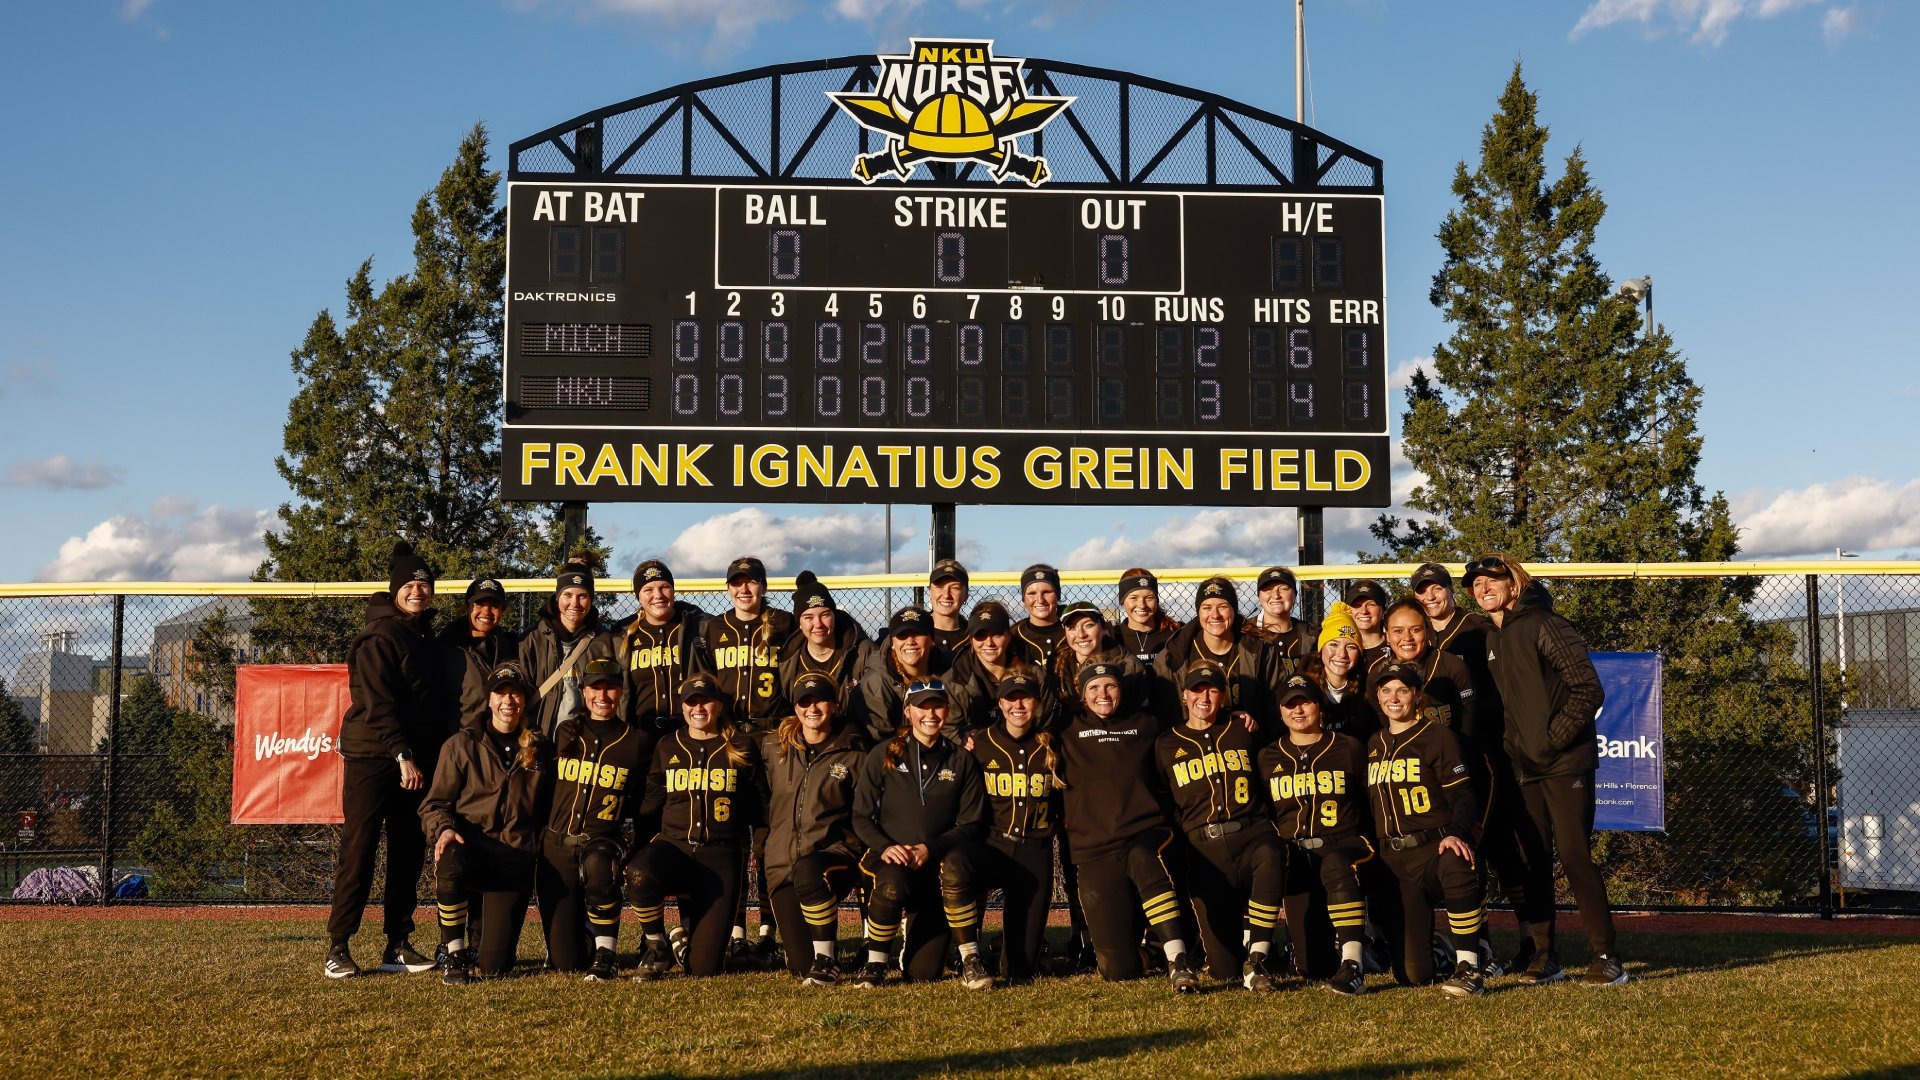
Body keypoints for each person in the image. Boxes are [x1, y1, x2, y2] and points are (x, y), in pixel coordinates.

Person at [1466, 552, 1625, 987]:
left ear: (1513, 582)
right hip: (1523, 767)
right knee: (1533, 859)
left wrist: (1553, 740)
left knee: (1574, 856)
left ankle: (1607, 957)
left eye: (1491, 579)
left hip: (1564, 762)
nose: (1483, 588)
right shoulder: (1490, 635)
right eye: (1476, 584)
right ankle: (1544, 955)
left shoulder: (1545, 623)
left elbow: (1588, 689)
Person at [324, 540, 452, 979]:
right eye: (410, 585)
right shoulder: (379, 636)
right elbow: (377, 703)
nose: (418, 591)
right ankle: (339, 946)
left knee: (407, 850)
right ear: (395, 589)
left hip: (411, 758)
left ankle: (397, 944)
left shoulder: (423, 634)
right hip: (375, 756)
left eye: (424, 584)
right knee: (359, 848)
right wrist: (402, 753)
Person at [1411, 561, 1539, 971]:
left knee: (1501, 848)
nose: (1430, 596)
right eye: (1422, 590)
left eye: (1437, 587)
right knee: (1464, 851)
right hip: (1440, 765)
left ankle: (1532, 941)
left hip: (1486, 756)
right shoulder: (1418, 636)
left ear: (1451, 590)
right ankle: (1477, 944)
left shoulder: (1477, 628)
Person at [1057, 661, 1200, 992]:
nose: (1103, 694)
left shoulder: (1146, 724)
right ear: (1082, 694)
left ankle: (1178, 960)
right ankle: (1152, 952)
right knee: (1117, 970)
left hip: (1146, 833)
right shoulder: (1066, 729)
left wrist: (1239, 717)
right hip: (1095, 849)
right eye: (1094, 688)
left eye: (1110, 686)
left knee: (1142, 857)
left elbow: (1192, 728)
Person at [1154, 660, 1288, 991]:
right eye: (1197, 690)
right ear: (1184, 696)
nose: (1204, 697)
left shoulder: (1242, 730)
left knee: (1271, 853)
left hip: (1250, 833)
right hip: (1205, 850)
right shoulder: (1166, 743)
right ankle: (1236, 957)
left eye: (1213, 690)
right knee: (1224, 970)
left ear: (1224, 697)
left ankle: (1258, 957)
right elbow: (1165, 801)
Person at [419, 660, 551, 984]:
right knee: (450, 857)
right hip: (472, 848)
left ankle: (484, 943)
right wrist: (444, 829)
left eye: (515, 694)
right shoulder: (461, 745)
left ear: (525, 700)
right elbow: (434, 804)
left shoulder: (540, 750)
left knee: (495, 966)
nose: (508, 701)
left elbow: (551, 808)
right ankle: (453, 952)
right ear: (489, 699)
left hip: (514, 858)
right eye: (501, 693)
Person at [624, 673, 764, 980]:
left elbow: (759, 804)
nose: (698, 708)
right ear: (682, 706)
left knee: (704, 969)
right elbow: (651, 801)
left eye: (706, 701)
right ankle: (657, 946)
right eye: (691, 702)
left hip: (721, 856)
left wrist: (761, 843)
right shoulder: (667, 745)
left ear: (719, 705)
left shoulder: (741, 745)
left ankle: (682, 941)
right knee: (639, 873)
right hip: (676, 848)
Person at [849, 679, 986, 987]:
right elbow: (860, 815)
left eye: (937, 706)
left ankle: (965, 959)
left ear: (947, 711)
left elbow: (972, 823)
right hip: (891, 860)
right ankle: (875, 962)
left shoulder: (961, 759)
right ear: (908, 712)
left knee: (923, 973)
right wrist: (885, 847)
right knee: (893, 881)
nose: (930, 714)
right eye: (922, 707)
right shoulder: (884, 754)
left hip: (935, 865)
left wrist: (931, 848)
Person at [1365, 662, 1488, 997]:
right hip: (1394, 861)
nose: (1394, 698)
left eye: (1402, 690)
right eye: (1386, 690)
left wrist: (1456, 832)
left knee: (1457, 860)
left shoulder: (1438, 736)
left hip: (1432, 848)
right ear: (1378, 696)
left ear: (1416, 695)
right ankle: (1439, 951)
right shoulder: (1374, 743)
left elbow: (1464, 796)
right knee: (1413, 975)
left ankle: (1469, 966)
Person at [1259, 675, 1372, 995]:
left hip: (1342, 847)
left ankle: (1353, 961)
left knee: (1337, 863)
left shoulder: (1348, 747)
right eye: (1290, 704)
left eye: (1305, 702)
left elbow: (1369, 802)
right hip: (1297, 855)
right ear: (1280, 711)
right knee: (1313, 967)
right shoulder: (1268, 755)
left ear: (1319, 706)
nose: (1298, 710)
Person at [542, 658, 653, 980]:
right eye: (595, 687)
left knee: (598, 863)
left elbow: (645, 800)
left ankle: (607, 953)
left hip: (601, 841)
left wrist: (635, 843)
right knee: (566, 962)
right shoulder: (566, 732)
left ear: (621, 692)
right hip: (557, 845)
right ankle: (587, 934)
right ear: (584, 691)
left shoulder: (636, 741)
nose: (602, 696)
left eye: (610, 688)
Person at [758, 672, 871, 985]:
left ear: (834, 705)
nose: (812, 708)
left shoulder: (855, 752)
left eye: (819, 700)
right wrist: (765, 843)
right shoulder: (772, 747)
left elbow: (866, 811)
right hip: (782, 864)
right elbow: (760, 796)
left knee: (809, 870)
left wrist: (855, 846)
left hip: (833, 855)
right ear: (795, 707)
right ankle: (813, 955)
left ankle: (827, 959)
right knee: (799, 966)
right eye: (804, 702)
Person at [955, 673, 1063, 985]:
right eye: (1010, 698)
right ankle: (967, 954)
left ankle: (1006, 953)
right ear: (1000, 704)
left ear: (1036, 703)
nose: (1018, 705)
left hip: (1035, 848)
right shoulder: (980, 743)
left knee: (1021, 969)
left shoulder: (1053, 744)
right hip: (992, 844)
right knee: (957, 865)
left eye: (1025, 697)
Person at [1150, 576, 1282, 733]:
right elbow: (1163, 715)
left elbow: (1275, 706)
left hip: (1248, 741)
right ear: (1198, 612)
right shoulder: (1174, 654)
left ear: (1234, 610)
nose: (1215, 615)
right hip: (1192, 743)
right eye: (1207, 607)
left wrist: (1255, 727)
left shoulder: (1260, 650)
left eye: (1222, 606)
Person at [519, 556, 616, 739]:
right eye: (568, 595)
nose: (575, 604)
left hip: (584, 744)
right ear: (557, 597)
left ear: (591, 599)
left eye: (582, 596)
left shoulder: (604, 641)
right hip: (539, 740)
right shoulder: (531, 640)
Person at [612, 559, 708, 737]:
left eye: (664, 587)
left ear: (673, 590)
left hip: (689, 733)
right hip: (640, 734)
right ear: (638, 596)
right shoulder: (623, 634)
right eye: (648, 589)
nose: (658, 595)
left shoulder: (698, 627)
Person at [700, 555, 795, 732]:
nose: (743, 590)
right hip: (729, 728)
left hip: (774, 727)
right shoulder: (716, 627)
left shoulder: (783, 622)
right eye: (736, 583)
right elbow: (710, 674)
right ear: (728, 588)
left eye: (751, 582)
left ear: (764, 587)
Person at [775, 571, 874, 731]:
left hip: (856, 737)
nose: (818, 624)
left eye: (825, 615)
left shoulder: (862, 651)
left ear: (834, 615)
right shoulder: (788, 660)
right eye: (808, 617)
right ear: (799, 623)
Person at [945, 602, 1050, 733]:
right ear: (971, 639)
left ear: (1008, 636)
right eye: (980, 635)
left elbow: (1046, 722)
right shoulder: (955, 680)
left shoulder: (1035, 676)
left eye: (996, 634)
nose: (989, 643)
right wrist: (964, 738)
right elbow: (949, 728)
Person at [436, 576, 518, 731]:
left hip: (499, 738)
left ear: (503, 610)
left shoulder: (511, 647)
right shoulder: (445, 648)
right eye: (479, 604)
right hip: (460, 738)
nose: (486, 611)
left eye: (494, 605)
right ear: (467, 607)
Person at [858, 606, 951, 741]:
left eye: (917, 634)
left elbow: (955, 725)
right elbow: (877, 741)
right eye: (902, 635)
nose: (910, 642)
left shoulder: (950, 671)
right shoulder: (875, 684)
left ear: (931, 639)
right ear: (892, 643)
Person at [1308, 603, 1375, 741]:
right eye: (1333, 644)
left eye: (1351, 647)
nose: (1342, 654)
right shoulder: (1306, 689)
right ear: (1321, 649)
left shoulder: (1368, 688)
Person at [1241, 566, 1318, 672]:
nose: (1276, 595)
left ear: (1294, 595)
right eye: (1268, 589)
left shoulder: (1312, 635)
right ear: (1259, 596)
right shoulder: (1244, 632)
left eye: (1283, 589)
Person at [1114, 568, 1181, 666]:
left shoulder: (1175, 633)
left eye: (1149, 598)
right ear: (1123, 601)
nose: (1142, 605)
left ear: (1156, 600)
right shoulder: (1114, 637)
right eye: (1134, 598)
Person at [1012, 564, 1067, 669]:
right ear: (1024, 599)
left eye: (1046, 592)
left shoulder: (1074, 630)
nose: (1040, 600)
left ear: (1058, 595)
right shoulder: (1014, 635)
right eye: (1032, 593)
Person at [926, 559, 973, 654]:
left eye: (955, 588)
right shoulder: (915, 632)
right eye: (939, 587)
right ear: (930, 592)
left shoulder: (975, 638)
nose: (946, 595)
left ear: (966, 594)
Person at [1344, 579, 1393, 665]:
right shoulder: (1340, 650)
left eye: (1371, 605)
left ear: (1383, 609)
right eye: (1356, 605)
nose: (1364, 611)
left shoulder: (1396, 647)